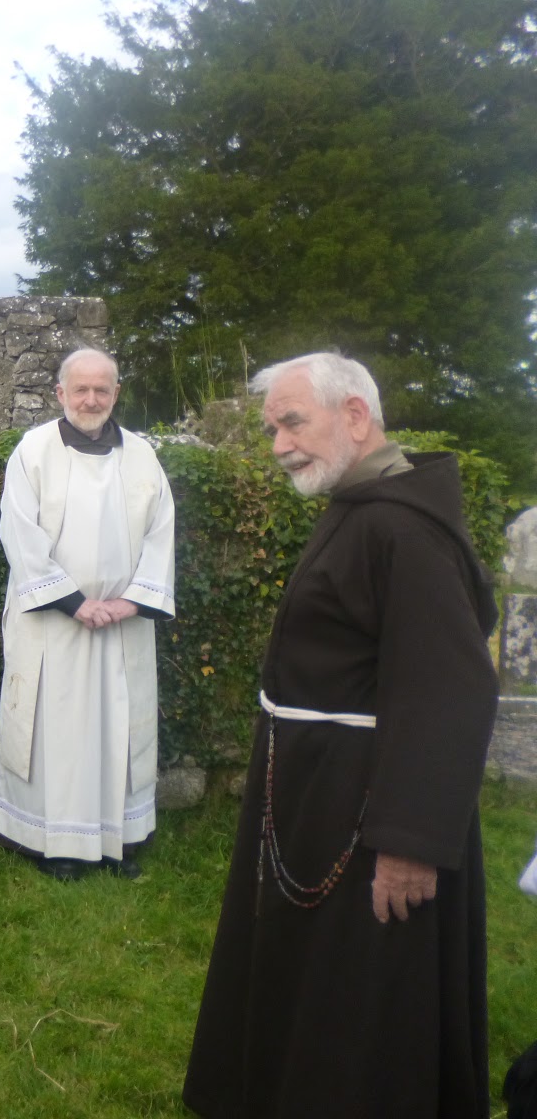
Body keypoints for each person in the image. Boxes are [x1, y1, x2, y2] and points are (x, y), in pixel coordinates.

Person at [184, 352, 499, 1118]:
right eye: (271, 429)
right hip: (321, 790)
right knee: (317, 979)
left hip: (369, 811)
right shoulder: (361, 508)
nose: (279, 444)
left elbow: (450, 691)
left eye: (292, 422)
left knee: (362, 991)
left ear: (355, 415)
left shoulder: (402, 531)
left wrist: (411, 841)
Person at [0, 348, 175, 880]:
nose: (90, 399)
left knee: (120, 728)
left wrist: (129, 600)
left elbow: (162, 533)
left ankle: (120, 837)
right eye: (80, 389)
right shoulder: (34, 451)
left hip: (123, 627)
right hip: (53, 624)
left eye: (102, 390)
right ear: (60, 394)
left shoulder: (142, 455)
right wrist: (74, 601)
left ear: (116, 394)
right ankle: (58, 844)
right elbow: (19, 533)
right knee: (59, 733)